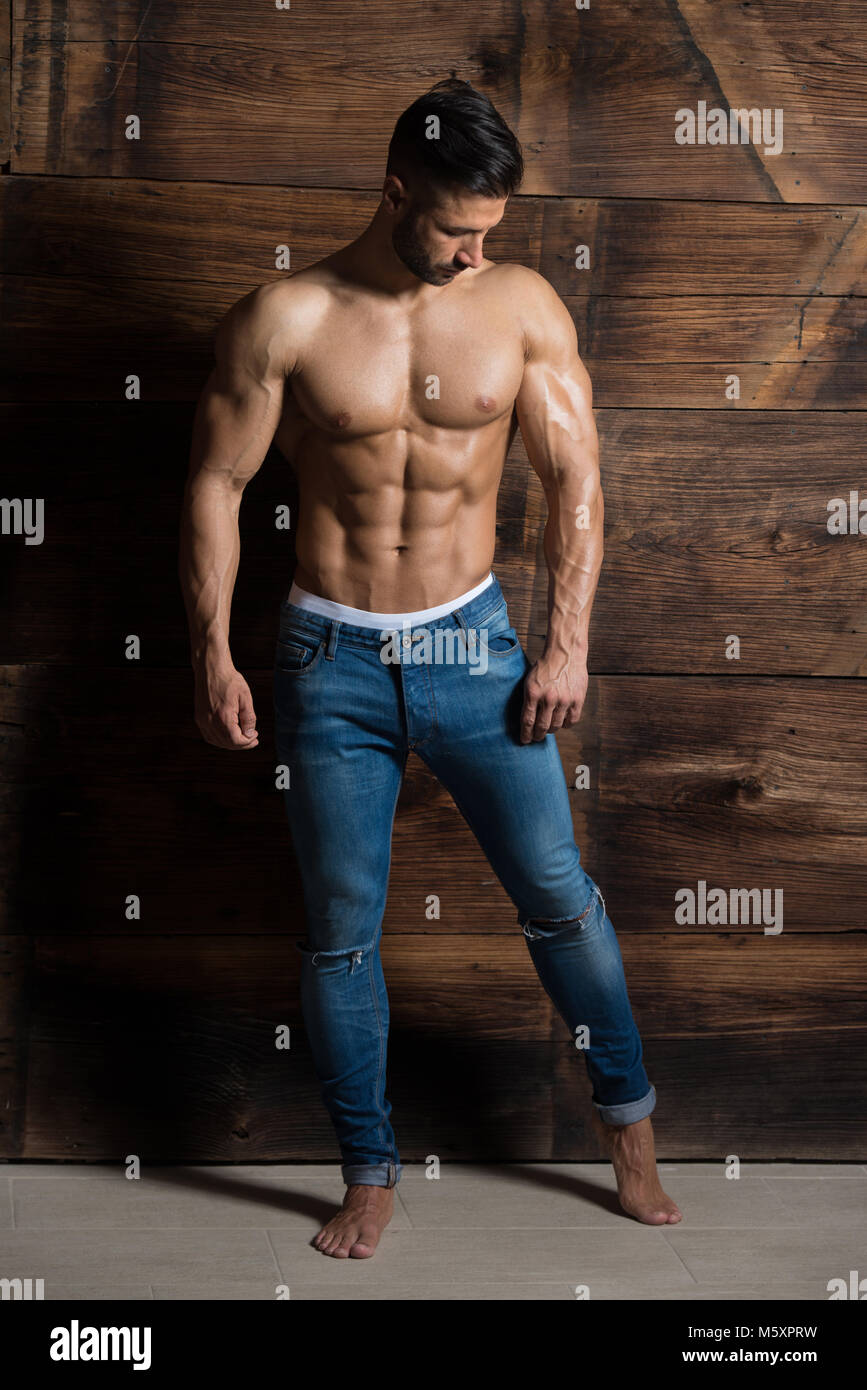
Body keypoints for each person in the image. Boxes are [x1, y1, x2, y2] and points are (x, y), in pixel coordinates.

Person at [179, 77, 682, 1260]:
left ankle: (631, 1131)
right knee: (342, 933)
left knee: (559, 901)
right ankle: (368, 1171)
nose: (471, 255)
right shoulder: (286, 317)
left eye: (489, 233)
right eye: (455, 228)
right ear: (395, 187)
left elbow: (579, 480)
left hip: (474, 645)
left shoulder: (519, 305)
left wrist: (567, 640)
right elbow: (215, 483)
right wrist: (208, 649)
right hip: (328, 656)